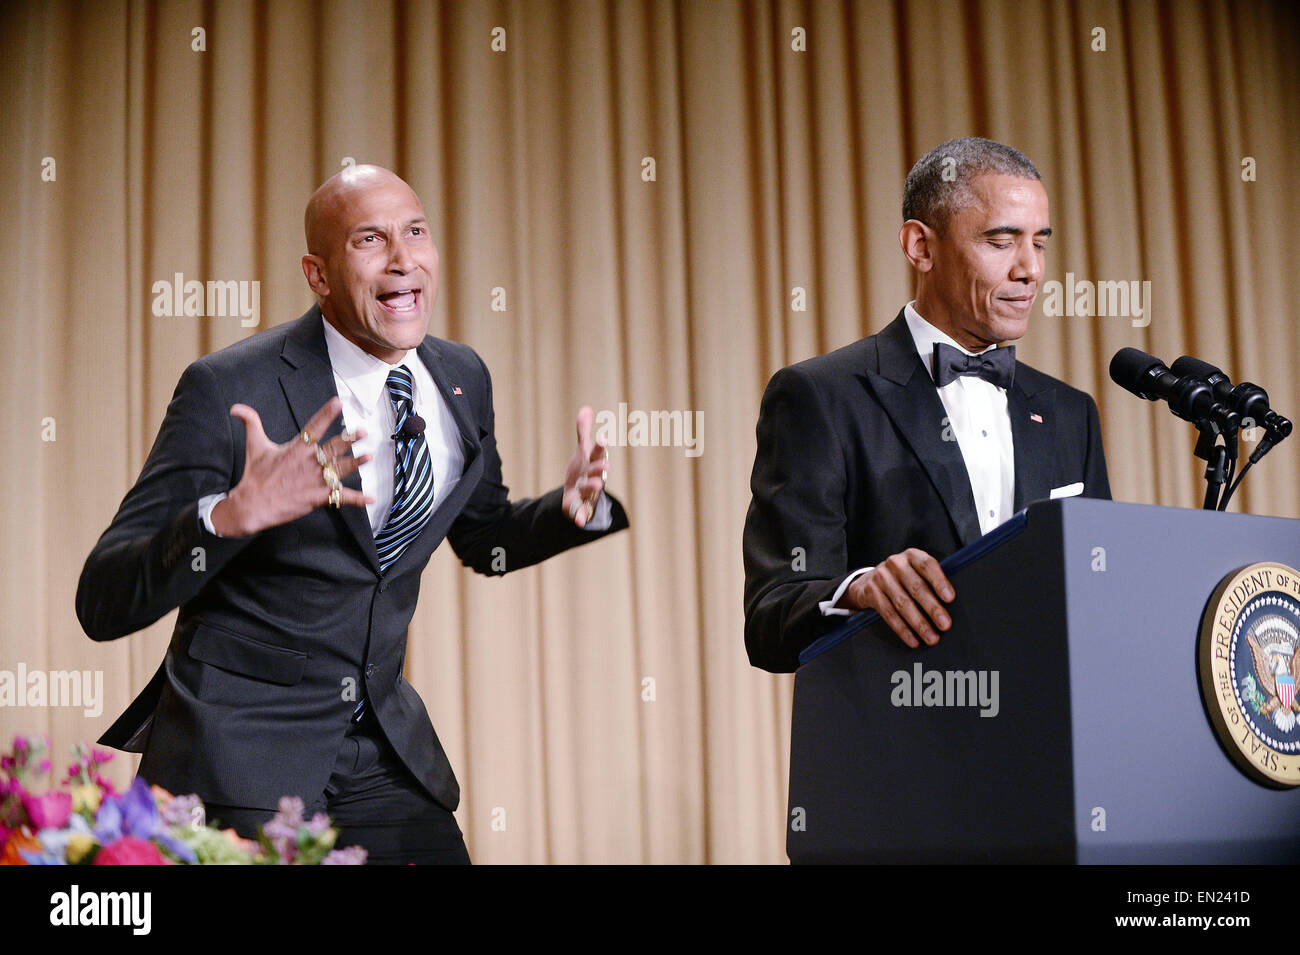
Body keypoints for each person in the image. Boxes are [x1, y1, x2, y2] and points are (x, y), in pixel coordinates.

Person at [76, 164, 628, 863]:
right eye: (370, 239)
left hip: (381, 750)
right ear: (319, 274)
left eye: (415, 232)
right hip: (238, 755)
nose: (403, 259)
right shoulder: (230, 386)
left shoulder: (461, 377)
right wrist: (227, 517)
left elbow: (483, 537)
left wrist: (568, 511)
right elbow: (104, 597)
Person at [743, 137, 1110, 674]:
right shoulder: (820, 396)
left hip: (1046, 722)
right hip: (902, 721)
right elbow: (769, 620)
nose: (1031, 269)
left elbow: (1099, 595)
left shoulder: (1069, 413)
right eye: (1001, 241)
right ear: (921, 247)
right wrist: (859, 589)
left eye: (1040, 243)